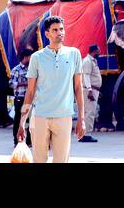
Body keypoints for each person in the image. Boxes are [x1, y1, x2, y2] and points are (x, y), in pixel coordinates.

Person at [18, 15, 85, 163]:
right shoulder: (37, 57)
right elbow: (30, 92)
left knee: (61, 160)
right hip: (39, 117)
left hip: (64, 116)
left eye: (61, 29)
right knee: (39, 160)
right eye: (55, 30)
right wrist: (22, 122)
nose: (60, 32)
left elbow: (78, 88)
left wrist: (81, 118)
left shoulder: (74, 54)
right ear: (47, 34)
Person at [78, 44, 102, 142]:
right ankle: (86, 135)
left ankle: (84, 134)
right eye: (98, 51)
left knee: (89, 112)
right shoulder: (88, 61)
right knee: (89, 113)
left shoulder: (92, 61)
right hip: (90, 90)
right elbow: (86, 76)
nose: (99, 53)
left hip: (93, 90)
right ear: (94, 51)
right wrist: (90, 90)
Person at [9, 50, 32, 148]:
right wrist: (25, 83)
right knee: (18, 120)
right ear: (26, 57)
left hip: (30, 99)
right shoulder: (16, 70)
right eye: (30, 57)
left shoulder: (31, 69)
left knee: (31, 120)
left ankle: (29, 141)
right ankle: (16, 141)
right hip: (20, 98)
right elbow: (11, 84)